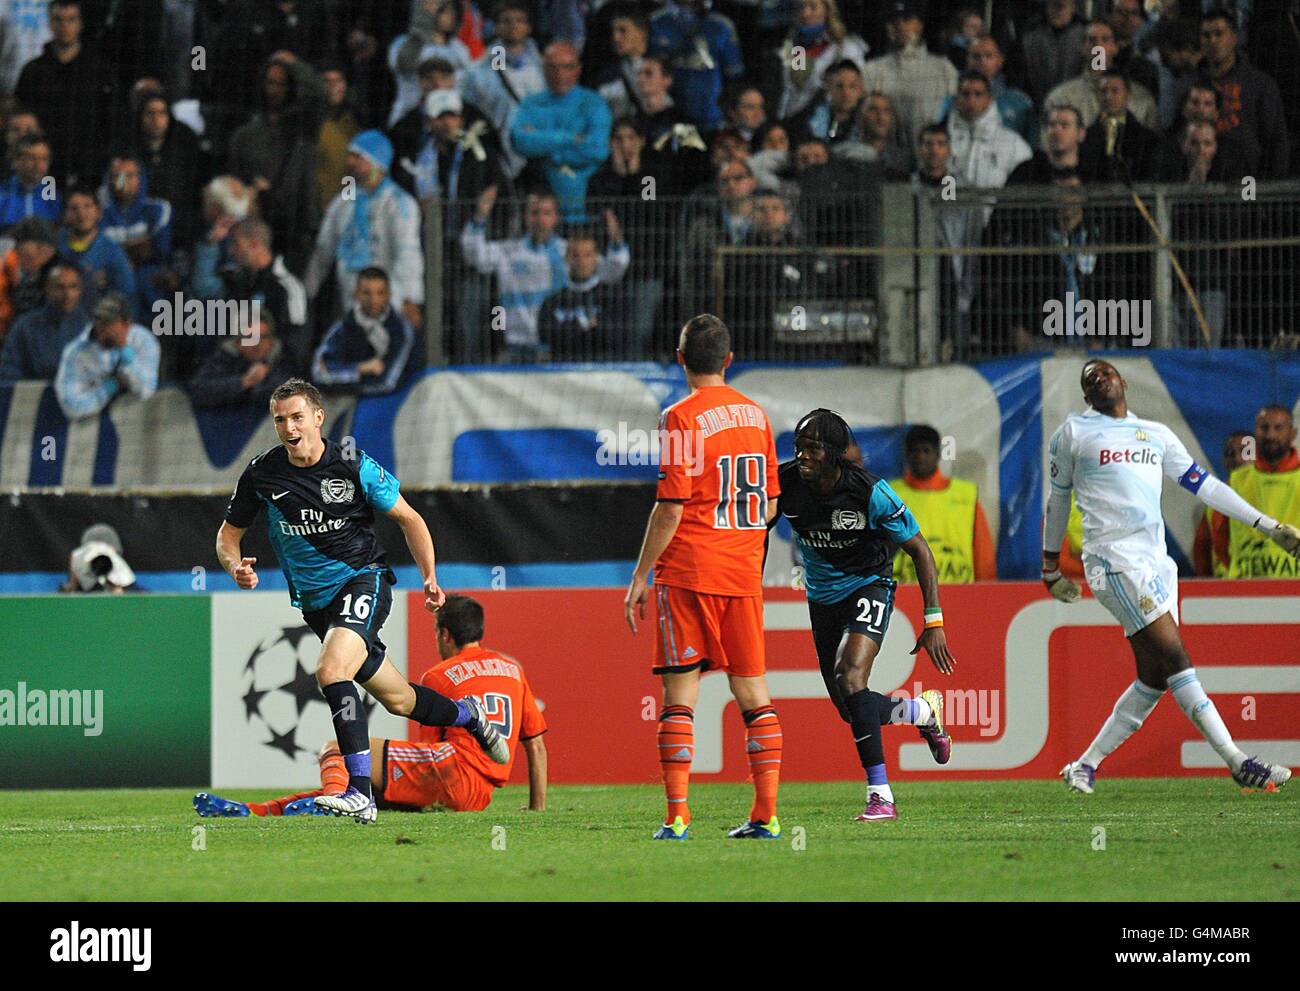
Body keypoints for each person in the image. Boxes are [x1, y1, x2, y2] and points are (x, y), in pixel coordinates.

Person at [215, 378, 510, 825]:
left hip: (364, 581)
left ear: (318, 417)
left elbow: (410, 519)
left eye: (297, 417)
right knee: (401, 700)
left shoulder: (352, 465)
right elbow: (227, 536)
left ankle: (359, 792)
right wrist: (234, 567)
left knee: (331, 670)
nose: (289, 428)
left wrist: (430, 576)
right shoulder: (262, 473)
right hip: (317, 606)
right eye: (280, 419)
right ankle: (469, 717)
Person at [1044, 359, 1298, 794]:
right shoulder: (1073, 433)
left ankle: (1085, 765)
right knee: (1177, 659)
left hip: (1156, 564)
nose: (1099, 379)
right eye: (1089, 380)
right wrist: (1049, 567)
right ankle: (1238, 761)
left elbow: (1206, 486)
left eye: (1104, 372)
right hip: (1112, 560)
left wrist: (1265, 525)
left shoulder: (1155, 435)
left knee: (1155, 676)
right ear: (1087, 397)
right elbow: (1058, 501)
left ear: (1122, 382)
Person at [624, 314, 783, 840]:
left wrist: (641, 575)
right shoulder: (758, 416)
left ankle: (677, 816)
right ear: (729, 361)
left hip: (689, 570)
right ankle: (767, 815)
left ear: (680, 358)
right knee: (754, 694)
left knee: (680, 697)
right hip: (742, 575)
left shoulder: (681, 417)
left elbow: (670, 507)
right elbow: (772, 503)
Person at [194, 594, 548, 818]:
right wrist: (537, 808)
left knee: (337, 753)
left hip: (452, 774)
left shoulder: (442, 675)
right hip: (481, 794)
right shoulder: (511, 669)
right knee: (362, 788)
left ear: (444, 634)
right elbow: (535, 744)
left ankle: (341, 799)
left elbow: (429, 748)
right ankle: (255, 813)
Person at [772, 409, 955, 821]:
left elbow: (920, 550)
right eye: (799, 447)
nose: (802, 456)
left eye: (813, 449)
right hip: (821, 597)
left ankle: (881, 796)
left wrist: (934, 621)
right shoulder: (783, 483)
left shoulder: (871, 492)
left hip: (868, 583)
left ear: (835, 454)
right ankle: (920, 712)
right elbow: (759, 530)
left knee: (851, 676)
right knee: (848, 706)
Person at [460, 186, 628, 358]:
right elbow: (474, 255)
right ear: (525, 217)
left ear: (556, 218)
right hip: (516, 347)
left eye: (546, 213)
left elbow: (612, 271)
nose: (540, 220)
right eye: (534, 213)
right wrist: (480, 217)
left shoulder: (569, 252)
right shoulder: (508, 251)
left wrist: (616, 240)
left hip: (554, 349)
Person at [305, 130, 424, 327]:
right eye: (350, 155)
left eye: (357, 156)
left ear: (377, 162)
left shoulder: (398, 203)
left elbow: (407, 254)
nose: (350, 161)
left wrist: (408, 299)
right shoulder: (344, 201)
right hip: (349, 303)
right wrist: (307, 292)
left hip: (386, 306)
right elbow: (323, 249)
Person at [12, 0, 114, 184]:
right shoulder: (33, 72)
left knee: (81, 211)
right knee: (46, 210)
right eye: (58, 20)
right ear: (50, 23)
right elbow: (21, 121)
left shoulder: (100, 70)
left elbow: (112, 119)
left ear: (81, 23)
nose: (64, 26)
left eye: (71, 20)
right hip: (46, 174)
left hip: (90, 172)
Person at [511, 42, 610, 222]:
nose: (560, 74)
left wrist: (544, 146)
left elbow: (598, 149)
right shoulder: (531, 104)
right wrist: (571, 138)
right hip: (543, 213)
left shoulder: (594, 103)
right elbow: (520, 141)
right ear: (543, 69)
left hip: (586, 208)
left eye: (567, 67)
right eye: (553, 67)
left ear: (578, 69)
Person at [889, 424, 996, 583]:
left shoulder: (966, 496)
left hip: (959, 594)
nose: (921, 457)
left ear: (938, 454)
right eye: (915, 451)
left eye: (926, 450)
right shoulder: (889, 495)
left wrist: (988, 591)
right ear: (907, 454)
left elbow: (983, 554)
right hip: (904, 596)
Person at [1197, 7, 1290, 179]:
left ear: (1234, 38)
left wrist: (1270, 190)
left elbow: (1277, 142)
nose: (1212, 41)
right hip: (1201, 185)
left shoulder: (1260, 84)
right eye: (1206, 35)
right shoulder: (1192, 84)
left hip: (1249, 182)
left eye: (1219, 34)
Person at [1211, 405, 1300, 578]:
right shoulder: (1235, 481)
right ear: (1255, 433)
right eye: (1264, 428)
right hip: (1245, 592)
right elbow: (1219, 540)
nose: (1271, 435)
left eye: (1278, 428)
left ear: (1292, 433)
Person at [459, 1, 545, 180]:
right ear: (496, 28)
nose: (513, 25)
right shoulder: (480, 71)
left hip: (537, 150)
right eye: (506, 21)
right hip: (498, 153)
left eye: (519, 20)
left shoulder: (544, 66)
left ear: (528, 27)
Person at [862, 1, 958, 153]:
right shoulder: (872, 70)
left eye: (907, 20)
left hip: (931, 155)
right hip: (886, 158)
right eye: (894, 21)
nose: (900, 26)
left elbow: (954, 117)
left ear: (919, 25)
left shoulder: (943, 68)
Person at [221, 218, 310, 375]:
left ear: (255, 244)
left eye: (236, 244)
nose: (231, 251)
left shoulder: (287, 287)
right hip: (236, 374)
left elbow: (296, 344)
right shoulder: (239, 283)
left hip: (274, 377)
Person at [312, 266, 418, 395]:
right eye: (367, 293)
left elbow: (387, 383)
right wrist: (361, 368)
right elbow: (319, 373)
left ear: (389, 295)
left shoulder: (401, 330)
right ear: (356, 294)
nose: (374, 300)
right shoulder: (342, 328)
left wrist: (339, 379)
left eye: (380, 293)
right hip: (346, 404)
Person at [54, 292, 158, 420]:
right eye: (100, 323)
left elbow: (146, 390)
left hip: (133, 425)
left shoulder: (143, 340)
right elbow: (72, 407)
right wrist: (111, 385)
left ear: (126, 324)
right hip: (88, 431)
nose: (103, 332)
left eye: (109, 324)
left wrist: (125, 350)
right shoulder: (75, 352)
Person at [648, 0, 745, 133]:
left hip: (713, 121)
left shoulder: (722, 26)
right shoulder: (655, 23)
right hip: (668, 122)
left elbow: (734, 77)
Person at [1044, 19, 1158, 131]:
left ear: (1115, 47)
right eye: (1092, 40)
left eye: (1105, 39)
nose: (1098, 45)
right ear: (1082, 48)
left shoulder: (1141, 99)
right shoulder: (1061, 99)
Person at [538, 225, 632, 359]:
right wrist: (587, 324)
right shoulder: (553, 301)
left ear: (596, 258)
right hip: (564, 372)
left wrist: (569, 329)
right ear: (567, 258)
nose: (581, 262)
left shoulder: (612, 298)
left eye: (587, 255)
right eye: (575, 255)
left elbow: (616, 337)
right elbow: (547, 337)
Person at [98, 154, 174, 317]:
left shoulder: (159, 209)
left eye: (130, 176)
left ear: (141, 179)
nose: (124, 181)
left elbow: (158, 249)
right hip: (111, 283)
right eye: (118, 176)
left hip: (149, 284)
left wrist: (120, 253)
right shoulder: (97, 214)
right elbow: (97, 254)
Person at [774, 0, 869, 120]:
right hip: (795, 122)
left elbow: (857, 91)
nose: (805, 13)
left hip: (836, 120)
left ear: (827, 10)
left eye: (813, 7)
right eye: (800, 8)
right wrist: (781, 120)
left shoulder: (847, 47)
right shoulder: (790, 48)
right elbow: (787, 91)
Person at [187, 310, 292, 410]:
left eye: (263, 337)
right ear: (238, 341)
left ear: (272, 341)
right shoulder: (224, 358)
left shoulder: (282, 359)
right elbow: (198, 392)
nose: (258, 344)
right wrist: (244, 382)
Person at [56, 185, 136, 316]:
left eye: (87, 206)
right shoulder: (55, 246)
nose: (81, 213)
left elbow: (127, 296)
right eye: (74, 208)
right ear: (66, 214)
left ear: (98, 213)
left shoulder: (112, 252)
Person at [944, 70, 1031, 188]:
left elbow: (1025, 187)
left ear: (989, 99)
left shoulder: (1013, 143)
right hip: (950, 205)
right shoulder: (941, 140)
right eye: (965, 94)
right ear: (956, 98)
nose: (971, 100)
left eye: (978, 94)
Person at [0, 261, 84, 382]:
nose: (68, 294)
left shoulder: (89, 327)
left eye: (73, 286)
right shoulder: (25, 327)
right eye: (60, 287)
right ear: (47, 289)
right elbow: (8, 370)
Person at [1078, 71, 1170, 181]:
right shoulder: (1084, 137)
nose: (1108, 97)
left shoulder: (1147, 139)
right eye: (1103, 91)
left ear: (1128, 95)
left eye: (1115, 91)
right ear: (1097, 96)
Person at [1192, 430, 1250, 576]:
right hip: (1226, 590)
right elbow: (1202, 552)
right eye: (1230, 453)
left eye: (1245, 452)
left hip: (1271, 586)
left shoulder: (1273, 493)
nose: (1237, 459)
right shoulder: (1213, 500)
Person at [0, 215, 57, 341]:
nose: (16, 251)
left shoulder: (59, 277)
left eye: (19, 245)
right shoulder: (20, 273)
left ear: (41, 248)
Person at [1009, 105, 1088, 184]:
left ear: (1081, 133)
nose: (1057, 131)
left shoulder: (1093, 172)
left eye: (1064, 125)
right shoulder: (1026, 172)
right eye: (1052, 125)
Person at [0, 133, 60, 231]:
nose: (38, 165)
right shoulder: (2, 193)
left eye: (43, 159)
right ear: (16, 160)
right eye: (31, 158)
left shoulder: (55, 197)